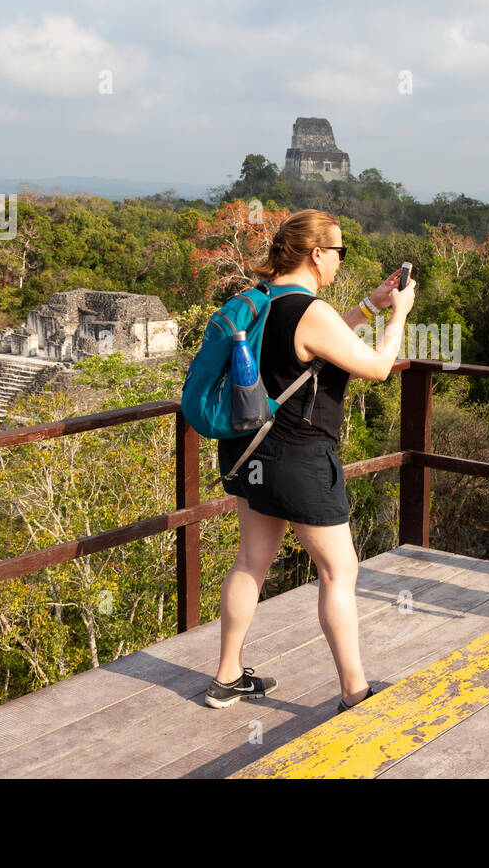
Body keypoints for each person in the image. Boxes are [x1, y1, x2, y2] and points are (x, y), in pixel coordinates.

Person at [204, 209, 416, 713]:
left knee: (251, 560)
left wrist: (368, 305)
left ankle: (227, 676)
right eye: (340, 252)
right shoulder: (310, 309)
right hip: (300, 457)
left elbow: (310, 348)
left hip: (250, 449)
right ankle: (355, 693)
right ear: (316, 254)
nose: (342, 261)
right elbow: (378, 368)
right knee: (340, 570)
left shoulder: (258, 300)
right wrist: (399, 314)